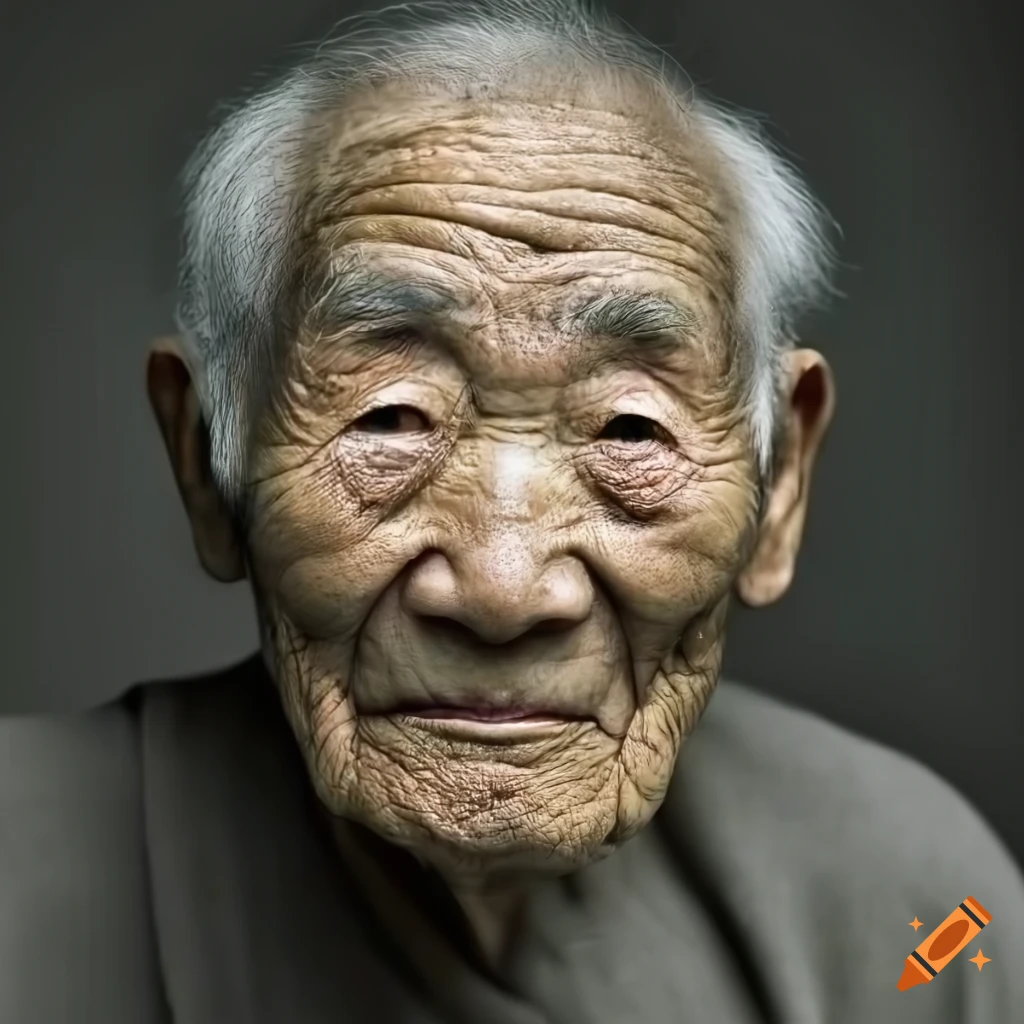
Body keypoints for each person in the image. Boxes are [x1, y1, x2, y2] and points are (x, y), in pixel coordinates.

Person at [3, 1, 1022, 1021]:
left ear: (781, 479)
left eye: (628, 431)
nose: (501, 585)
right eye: (391, 417)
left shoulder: (921, 913)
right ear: (203, 463)